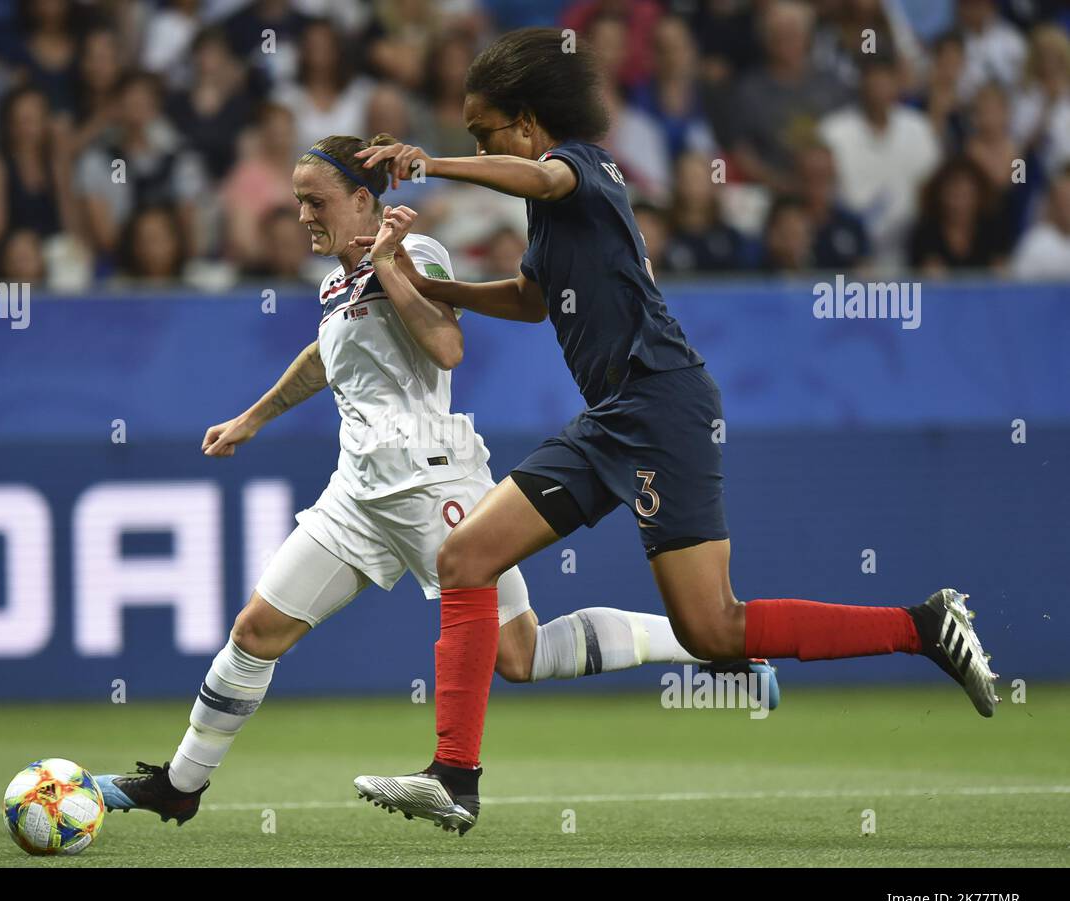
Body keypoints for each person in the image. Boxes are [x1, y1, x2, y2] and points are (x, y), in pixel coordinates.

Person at [348, 27, 998, 835]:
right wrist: (432, 288)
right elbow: (530, 297)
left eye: (483, 130)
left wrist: (434, 162)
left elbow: (542, 176)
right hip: (614, 420)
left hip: (661, 405)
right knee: (466, 557)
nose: (477, 142)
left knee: (713, 627)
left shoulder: (582, 165)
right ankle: (456, 777)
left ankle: (923, 626)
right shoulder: (549, 209)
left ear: (526, 120)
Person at [92, 133, 769, 826]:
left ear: (363, 200)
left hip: (431, 478)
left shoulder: (417, 254)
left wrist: (386, 261)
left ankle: (704, 643)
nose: (302, 216)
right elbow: (327, 356)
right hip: (355, 491)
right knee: (257, 629)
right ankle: (180, 783)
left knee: (520, 652)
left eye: (315, 200)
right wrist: (252, 417)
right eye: (296, 202)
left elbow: (447, 344)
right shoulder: (334, 281)